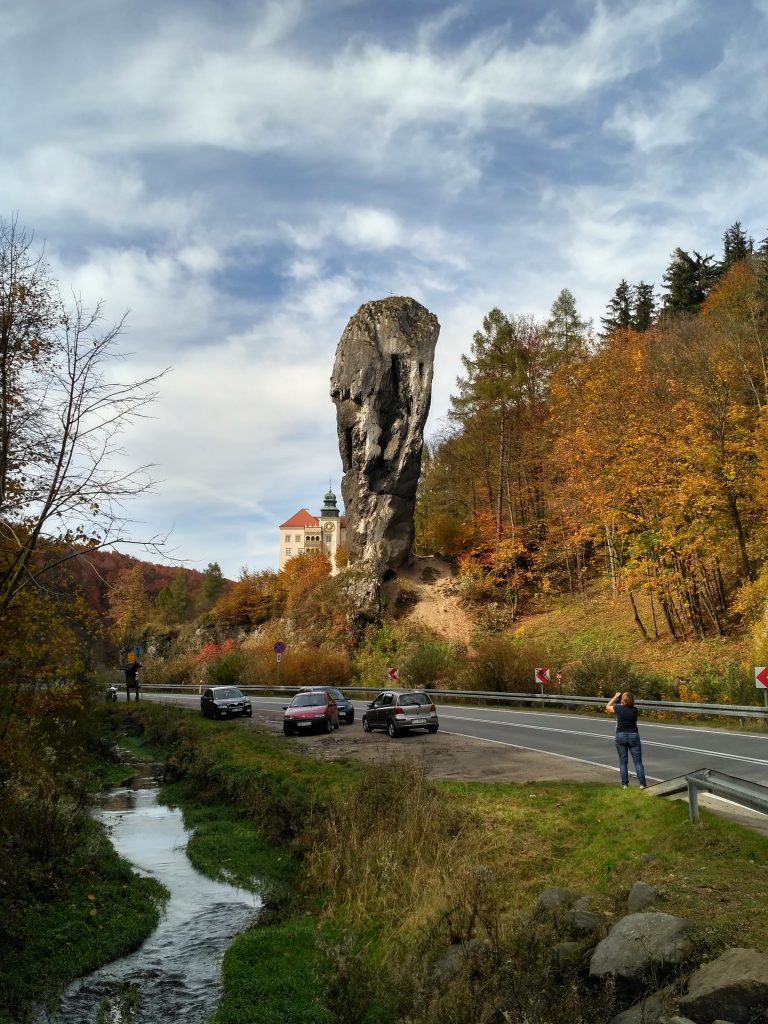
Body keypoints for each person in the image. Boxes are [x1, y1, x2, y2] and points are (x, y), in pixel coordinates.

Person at [605, 690, 647, 789]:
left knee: (623, 761)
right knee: (638, 762)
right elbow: (627, 706)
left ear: (622, 700)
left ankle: (624, 784)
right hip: (633, 735)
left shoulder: (618, 708)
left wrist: (615, 696)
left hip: (620, 735)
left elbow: (607, 707)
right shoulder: (635, 710)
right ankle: (642, 783)